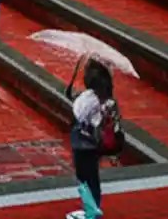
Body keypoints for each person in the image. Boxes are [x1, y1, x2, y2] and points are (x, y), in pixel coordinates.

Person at [65, 58, 119, 219]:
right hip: (97, 142)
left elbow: (78, 114)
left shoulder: (88, 97)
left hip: (83, 141)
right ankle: (95, 204)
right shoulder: (108, 98)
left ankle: (91, 210)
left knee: (83, 177)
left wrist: (75, 96)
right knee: (93, 175)